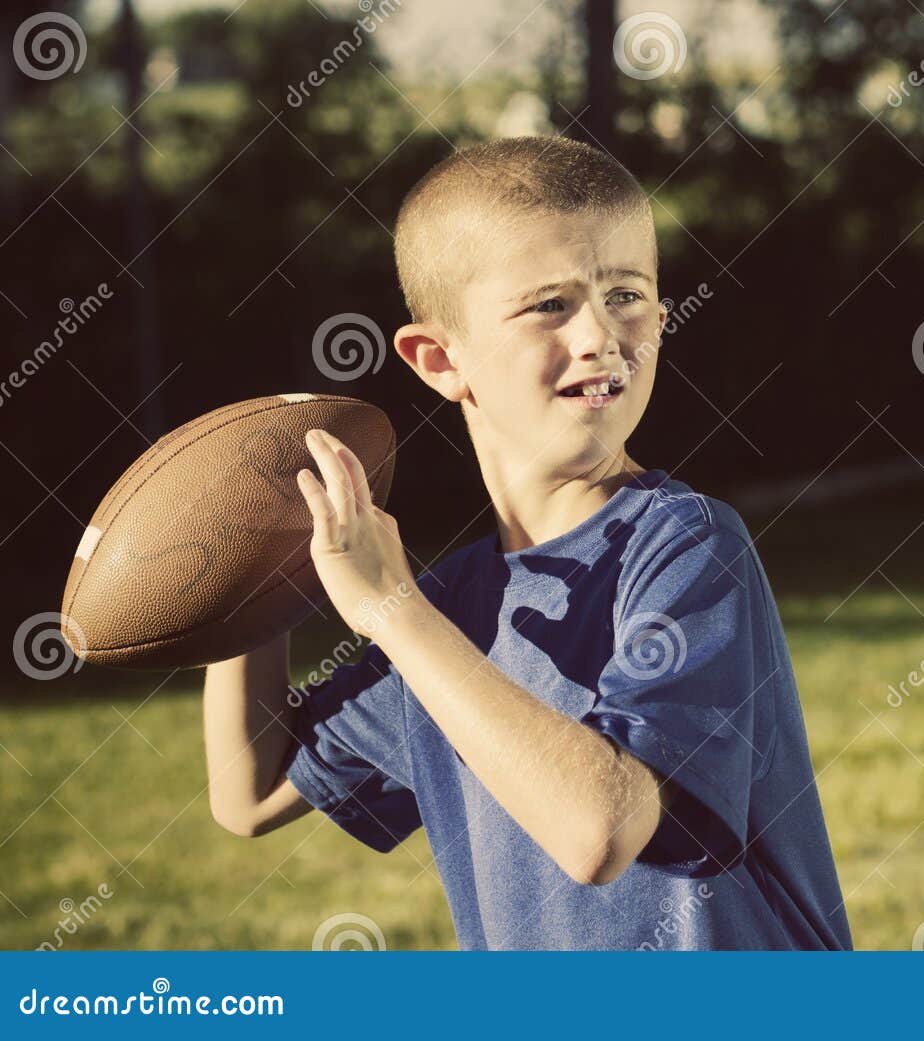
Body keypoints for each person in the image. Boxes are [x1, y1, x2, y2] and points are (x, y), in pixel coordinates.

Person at [202, 135, 852, 950]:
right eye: (550, 305)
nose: (600, 336)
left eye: (626, 294)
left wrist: (393, 611)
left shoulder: (684, 543)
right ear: (440, 359)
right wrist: (252, 574)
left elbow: (603, 830)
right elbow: (251, 791)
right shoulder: (451, 612)